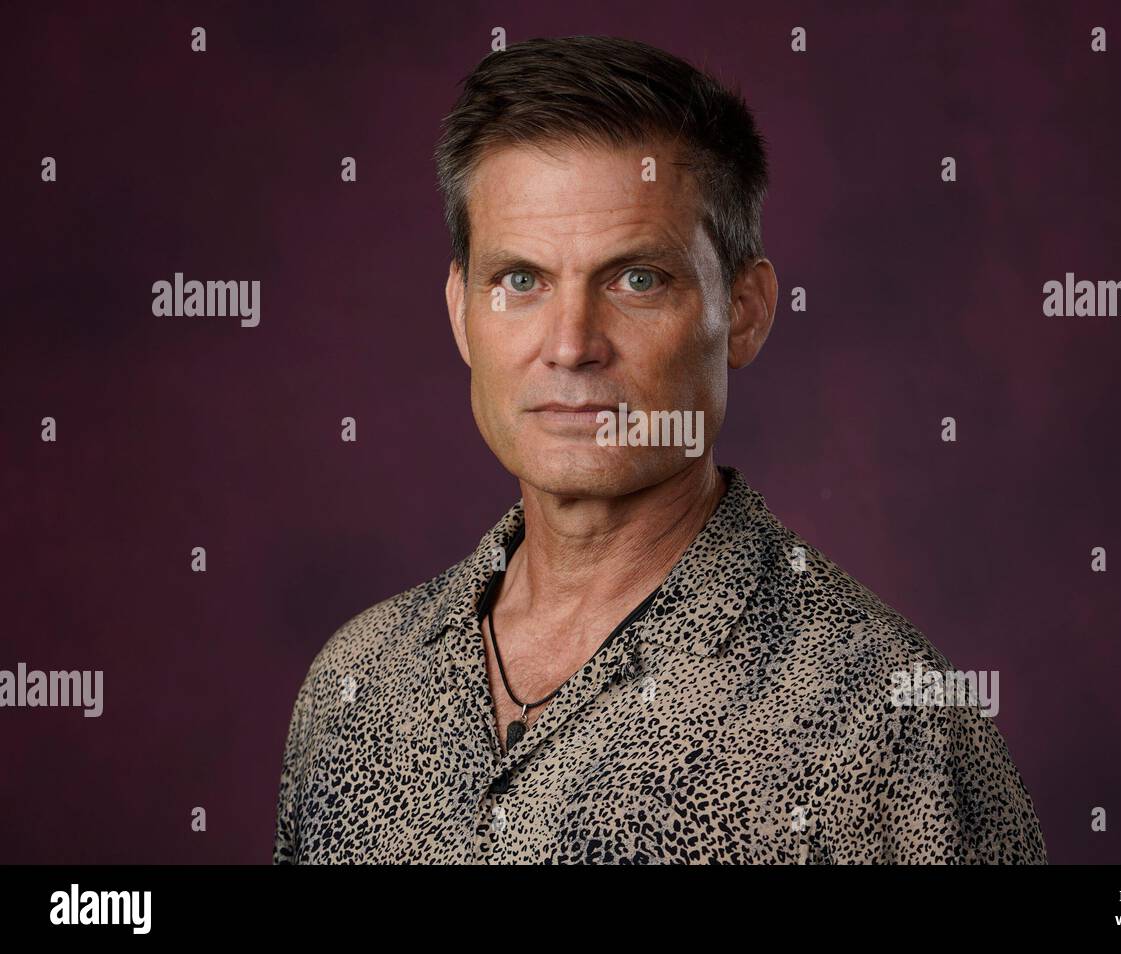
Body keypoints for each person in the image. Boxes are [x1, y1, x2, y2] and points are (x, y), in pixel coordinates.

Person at [273, 34, 1047, 864]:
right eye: (521, 281)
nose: (570, 346)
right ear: (463, 311)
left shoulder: (888, 721)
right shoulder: (357, 686)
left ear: (744, 311)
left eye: (637, 278)